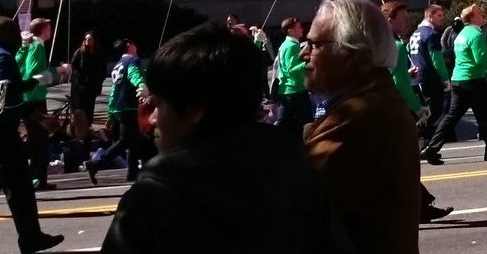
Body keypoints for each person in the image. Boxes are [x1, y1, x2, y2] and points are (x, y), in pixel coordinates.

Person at [100, 22, 353, 254]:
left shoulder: (150, 205)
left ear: (195, 109)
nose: (153, 119)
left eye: (160, 104)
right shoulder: (304, 181)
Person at [302, 0, 423, 254]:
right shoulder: (370, 101)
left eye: (314, 44)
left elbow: (295, 203)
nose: (304, 53)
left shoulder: (359, 117)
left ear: (350, 54)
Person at [381, 1, 453, 225]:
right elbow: (400, 82)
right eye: (402, 18)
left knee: (394, 162)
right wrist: (418, 108)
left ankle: (422, 203)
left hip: (381, 107)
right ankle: (419, 205)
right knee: (403, 162)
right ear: (390, 19)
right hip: (396, 109)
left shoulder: (378, 45)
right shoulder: (398, 45)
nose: (406, 22)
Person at [0, 18, 59, 253]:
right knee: (20, 187)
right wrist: (44, 78)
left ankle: (31, 237)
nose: (21, 37)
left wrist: (37, 117)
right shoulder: (4, 56)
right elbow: (7, 91)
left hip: (6, 130)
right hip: (3, 133)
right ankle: (30, 238)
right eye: (16, 32)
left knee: (18, 186)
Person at [423, 4, 487, 164]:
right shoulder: (476, 34)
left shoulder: (463, 33)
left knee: (452, 116)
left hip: (458, 79)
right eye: (480, 13)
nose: (483, 15)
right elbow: (480, 59)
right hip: (473, 81)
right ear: (473, 17)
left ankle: (432, 149)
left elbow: (467, 59)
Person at [86, 39, 150, 184]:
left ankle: (132, 172)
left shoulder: (117, 65)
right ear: (129, 46)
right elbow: (134, 75)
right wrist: (141, 85)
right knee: (126, 140)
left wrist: (111, 110)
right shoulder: (133, 60)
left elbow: (114, 90)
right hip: (129, 104)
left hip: (119, 106)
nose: (136, 46)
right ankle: (96, 163)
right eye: (134, 44)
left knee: (132, 139)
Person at [17, 18, 57, 190]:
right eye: (49, 27)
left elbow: (20, 66)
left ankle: (36, 178)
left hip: (26, 99)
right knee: (39, 140)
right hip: (35, 99)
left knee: (36, 140)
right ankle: (38, 179)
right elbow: (33, 73)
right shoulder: (38, 46)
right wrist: (57, 71)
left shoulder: (28, 46)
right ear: (43, 30)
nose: (50, 30)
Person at [410, 4, 449, 139]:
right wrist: (444, 78)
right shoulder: (431, 34)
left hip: (416, 76)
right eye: (439, 15)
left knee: (426, 110)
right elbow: (436, 59)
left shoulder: (415, 33)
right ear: (430, 15)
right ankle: (420, 137)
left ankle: (422, 139)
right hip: (428, 77)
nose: (442, 18)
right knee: (435, 110)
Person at [274, 16, 312, 135]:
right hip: (296, 90)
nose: (302, 29)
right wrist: (308, 61)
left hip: (288, 90)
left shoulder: (286, 45)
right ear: (290, 30)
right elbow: (291, 70)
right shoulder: (291, 46)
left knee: (285, 124)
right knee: (308, 124)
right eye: (299, 27)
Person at [68, 31, 105, 146]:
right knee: (78, 114)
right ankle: (76, 137)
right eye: (86, 39)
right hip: (79, 89)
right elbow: (74, 67)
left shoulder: (98, 54)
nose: (87, 41)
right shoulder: (79, 52)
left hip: (91, 90)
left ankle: (86, 136)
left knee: (88, 114)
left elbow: (102, 71)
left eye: (90, 39)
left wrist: (97, 83)